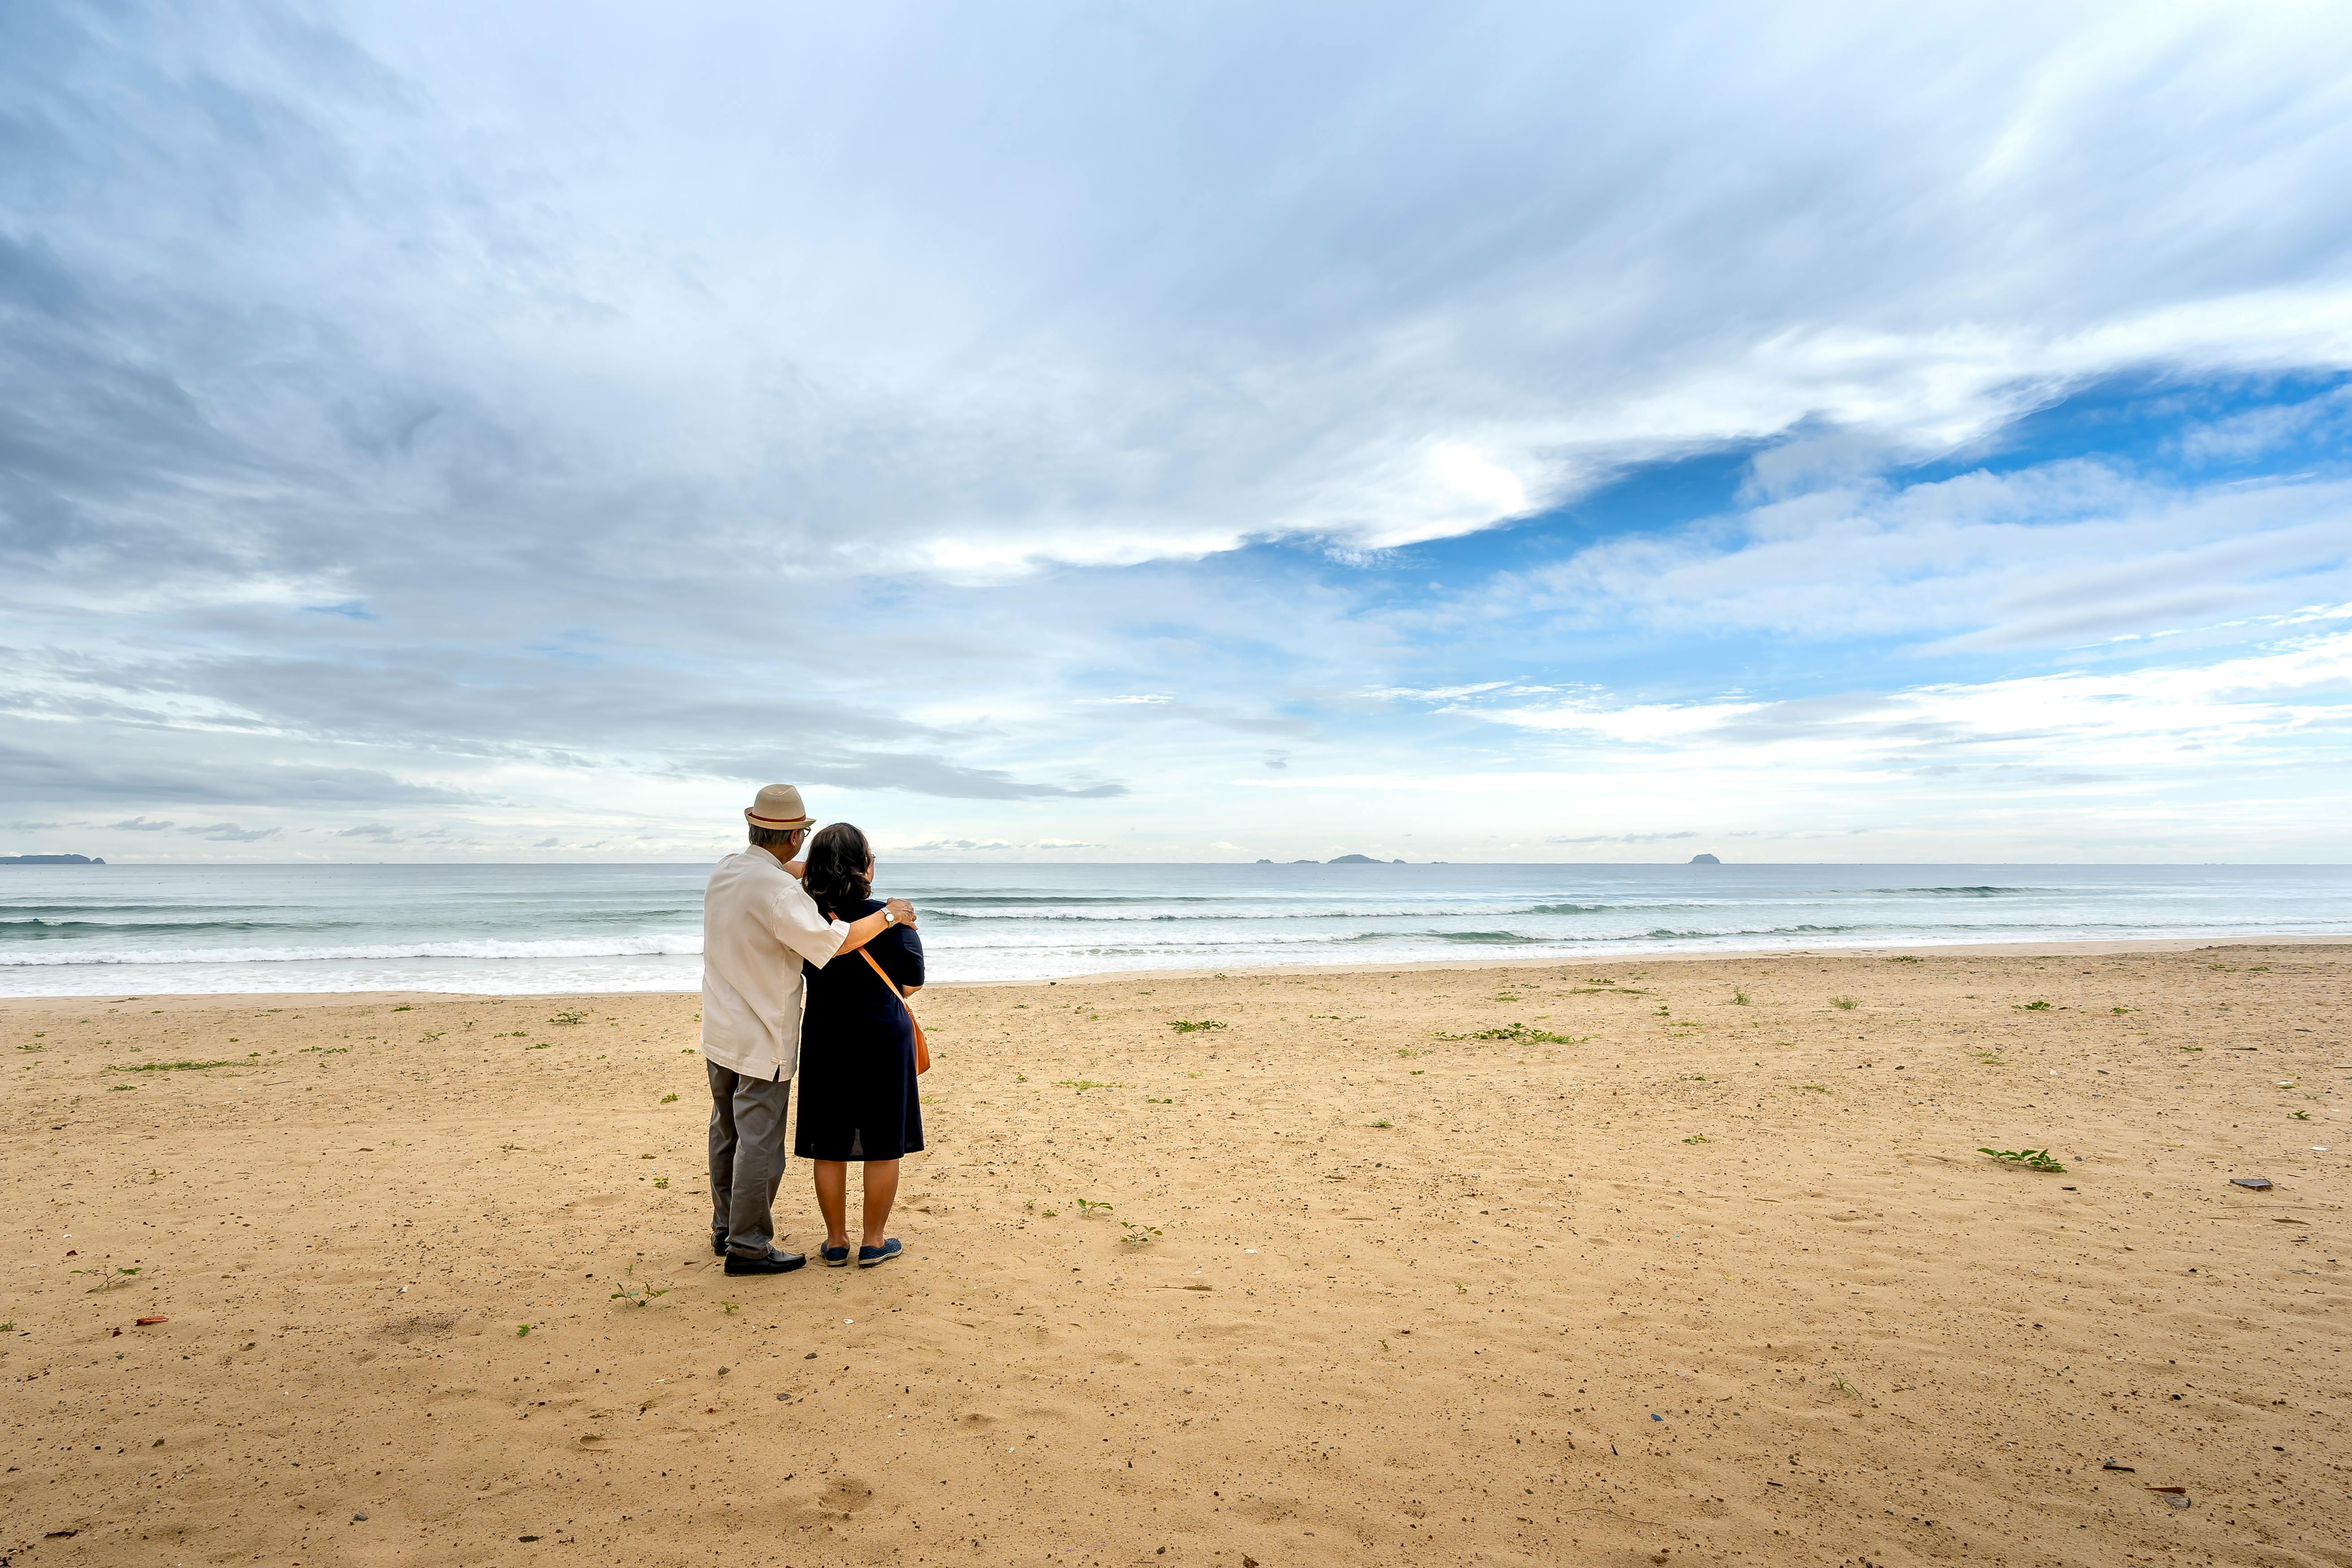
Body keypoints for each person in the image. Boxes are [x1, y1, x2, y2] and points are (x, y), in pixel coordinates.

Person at [700, 785, 914, 1277]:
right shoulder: (778, 892)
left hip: (720, 1027)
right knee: (759, 1143)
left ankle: (725, 1226)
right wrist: (888, 915)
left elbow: (785, 874)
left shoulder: (729, 868)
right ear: (795, 835)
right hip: (761, 1035)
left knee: (726, 1132)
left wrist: (819, 869)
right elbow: (834, 943)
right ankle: (749, 1246)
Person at [794, 821, 925, 1268]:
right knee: (883, 1141)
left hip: (825, 1037)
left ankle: (835, 1242)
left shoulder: (806, 919)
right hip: (882, 1037)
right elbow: (910, 985)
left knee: (829, 1143)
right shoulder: (897, 919)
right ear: (866, 865)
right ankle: (873, 1241)